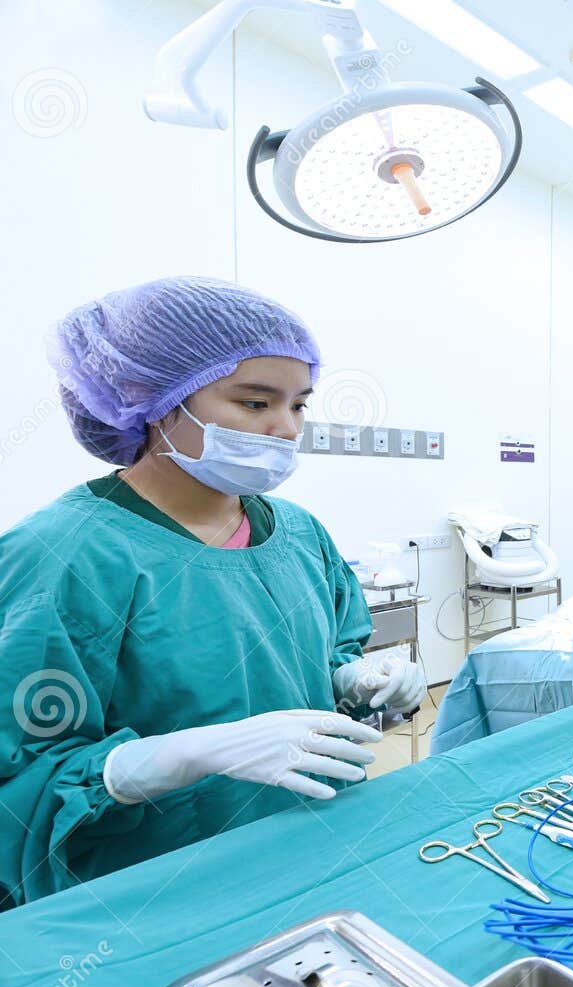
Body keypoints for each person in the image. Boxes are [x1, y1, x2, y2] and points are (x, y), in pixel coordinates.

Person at [0, 276, 425, 908]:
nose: (287, 428)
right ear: (149, 399)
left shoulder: (298, 533)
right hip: (152, 886)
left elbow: (324, 653)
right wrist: (180, 756)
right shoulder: (62, 554)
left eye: (300, 404)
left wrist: (356, 679)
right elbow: (25, 778)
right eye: (256, 404)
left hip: (310, 837)